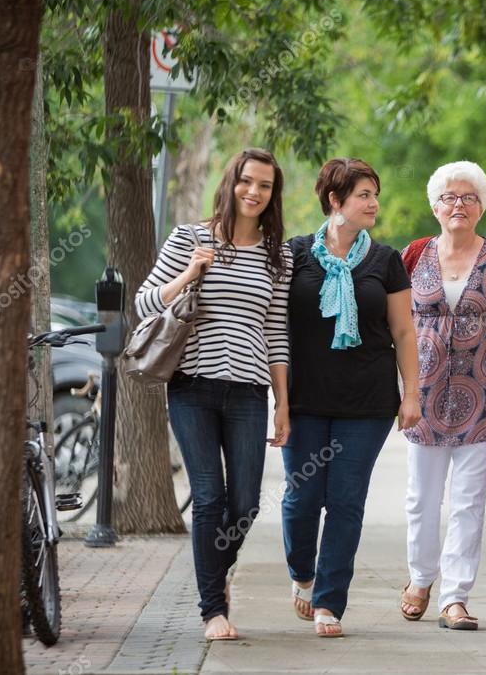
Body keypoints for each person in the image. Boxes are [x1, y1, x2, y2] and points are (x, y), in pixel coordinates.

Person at [135, 148, 292, 642]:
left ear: (272, 194)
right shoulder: (190, 237)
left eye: (264, 185)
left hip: (248, 391)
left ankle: (210, 573)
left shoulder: (277, 253)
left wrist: (283, 402)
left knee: (244, 503)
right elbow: (143, 301)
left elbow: (277, 330)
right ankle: (212, 610)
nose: (254, 192)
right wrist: (189, 273)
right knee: (209, 498)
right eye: (247, 181)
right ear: (231, 182)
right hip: (192, 386)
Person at [283, 157, 421, 638]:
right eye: (363, 195)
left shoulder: (385, 262)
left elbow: (404, 332)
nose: (374, 203)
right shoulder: (294, 254)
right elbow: (274, 327)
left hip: (367, 403)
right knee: (302, 500)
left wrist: (412, 395)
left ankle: (328, 602)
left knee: (345, 502)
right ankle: (303, 572)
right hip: (303, 399)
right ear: (334, 201)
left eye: (374, 195)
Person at [398, 162, 486, 631]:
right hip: (423, 394)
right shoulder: (413, 256)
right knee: (421, 497)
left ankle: (455, 596)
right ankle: (419, 578)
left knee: (469, 500)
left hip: (484, 392)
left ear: (482, 206)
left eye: (469, 197)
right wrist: (401, 391)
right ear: (435, 206)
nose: (459, 205)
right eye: (450, 197)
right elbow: (396, 329)